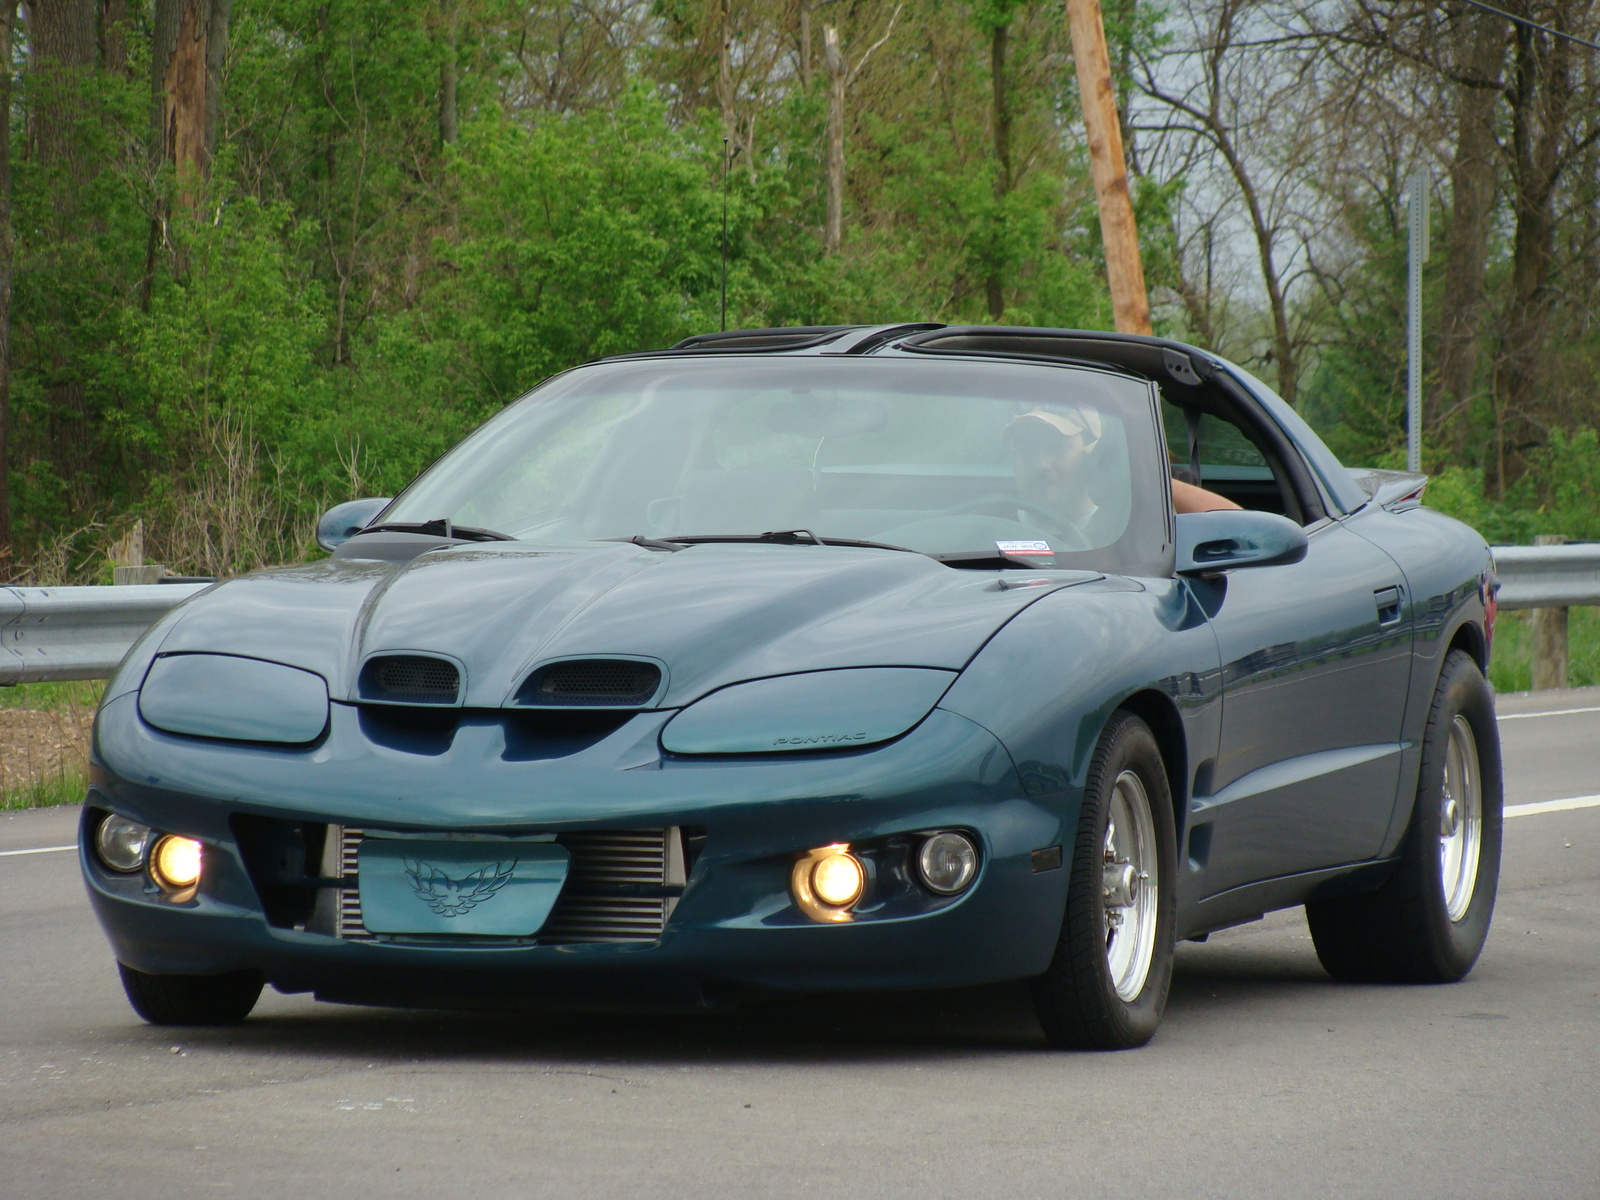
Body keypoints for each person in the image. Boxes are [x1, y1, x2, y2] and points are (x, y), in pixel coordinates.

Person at [1005, 405, 1241, 532]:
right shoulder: (985, 526)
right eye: (1027, 450)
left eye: (1057, 448)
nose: (1041, 464)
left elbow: (1240, 533)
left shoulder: (1135, 530)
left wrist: (1146, 475)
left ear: (1092, 452)